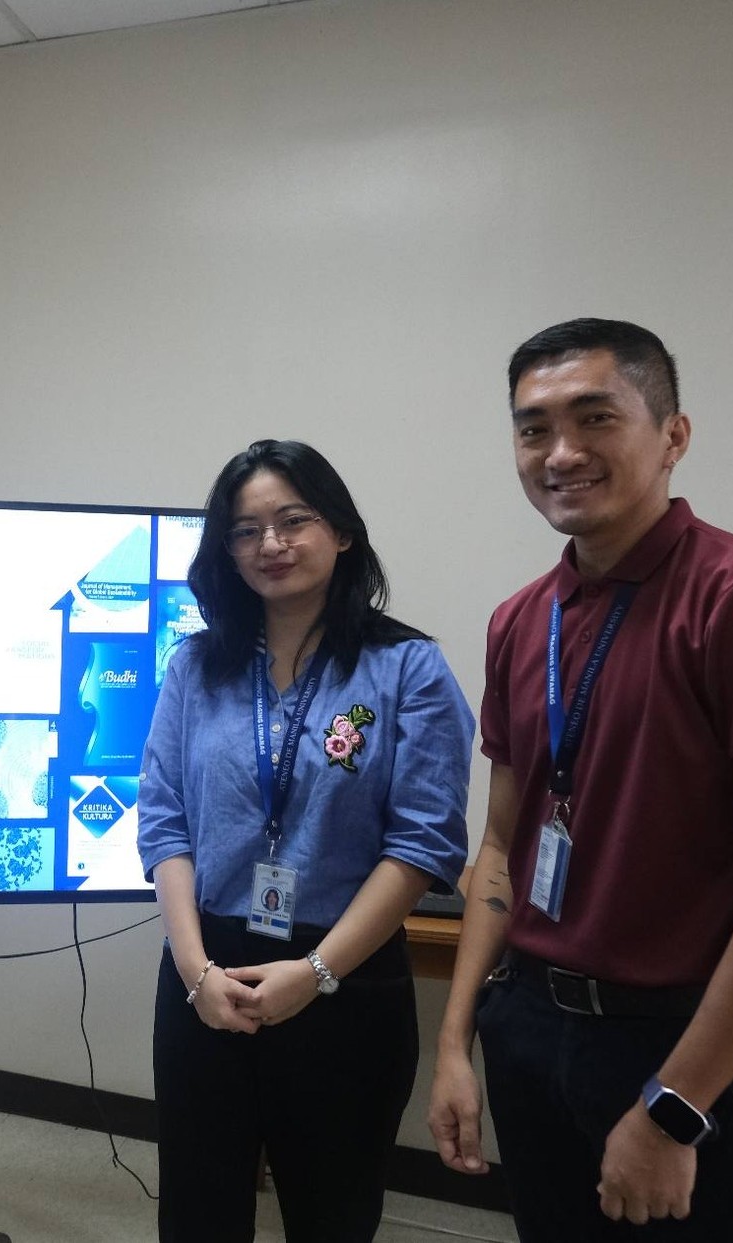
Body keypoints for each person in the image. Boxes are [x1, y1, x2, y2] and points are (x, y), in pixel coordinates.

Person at [427, 319, 733, 1238]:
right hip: (538, 1029)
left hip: (701, 1047)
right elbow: (502, 846)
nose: (561, 452)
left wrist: (674, 1105)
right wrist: (457, 1041)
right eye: (533, 427)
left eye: (595, 417)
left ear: (673, 436)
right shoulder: (519, 621)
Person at [137, 439, 473, 1241]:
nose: (270, 545)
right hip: (205, 973)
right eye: (245, 530)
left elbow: (423, 842)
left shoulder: (408, 668)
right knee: (197, 1213)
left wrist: (315, 972)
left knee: (332, 1214)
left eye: (293, 520)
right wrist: (193, 969)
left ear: (343, 531)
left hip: (343, 980)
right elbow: (163, 819)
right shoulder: (196, 666)